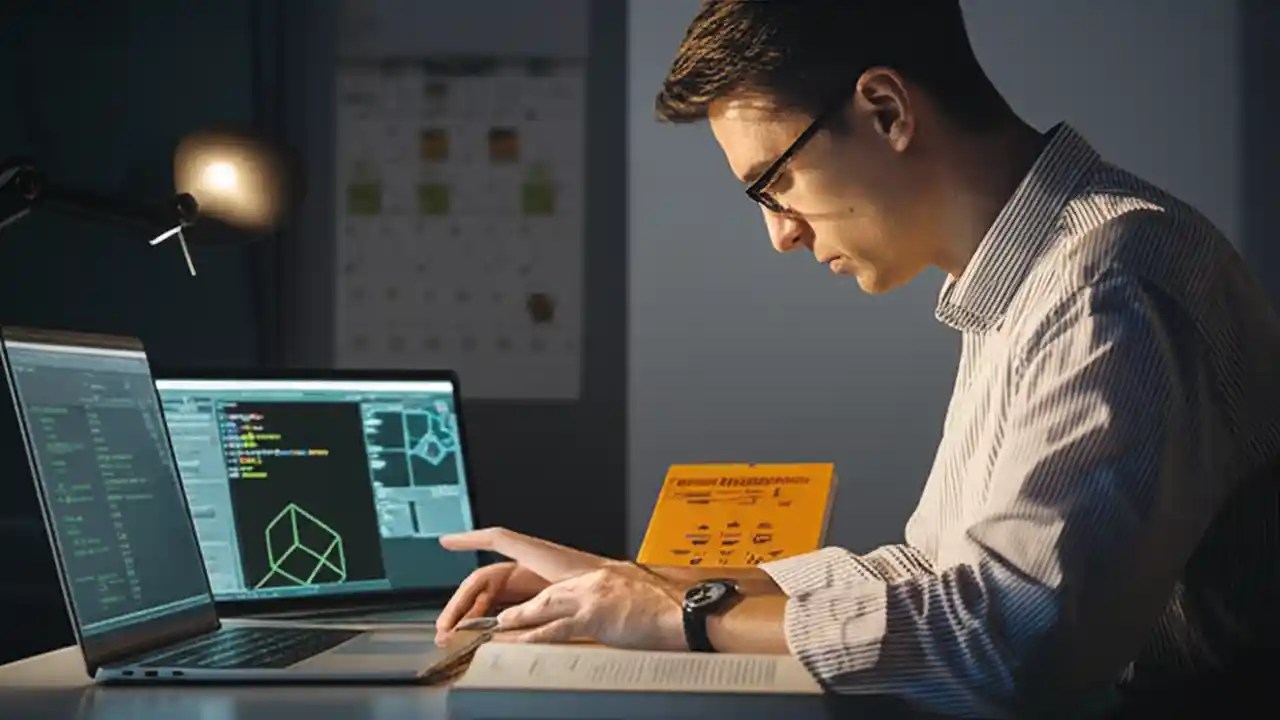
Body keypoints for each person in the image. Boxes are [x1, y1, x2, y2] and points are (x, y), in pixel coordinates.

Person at [434, 1, 1280, 716]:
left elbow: (1013, 640)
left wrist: (686, 615)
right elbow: (935, 574)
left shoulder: (1108, 284)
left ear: (885, 111)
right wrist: (642, 581)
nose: (780, 233)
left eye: (775, 183)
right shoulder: (1033, 280)